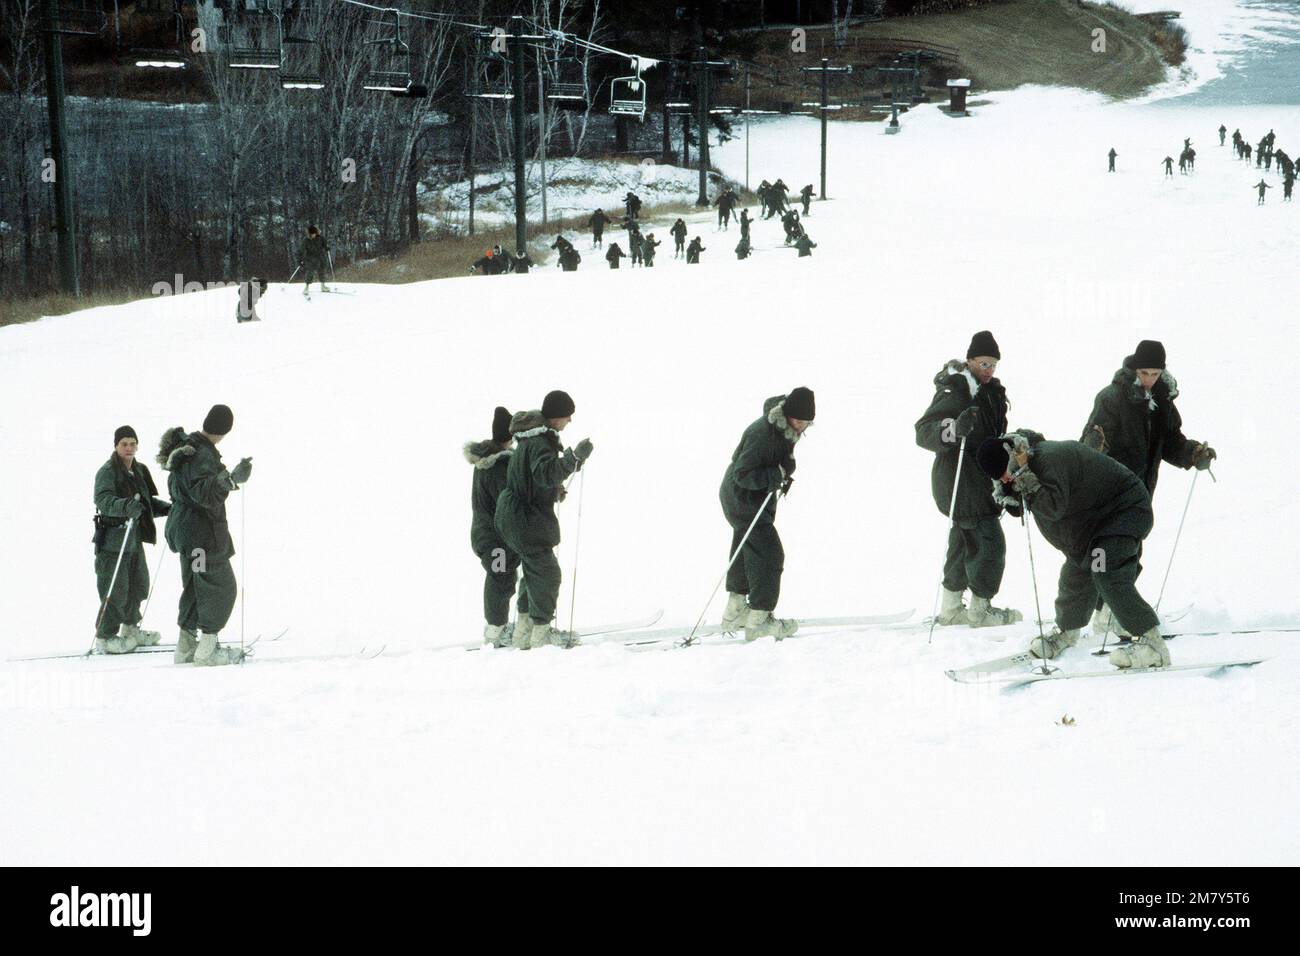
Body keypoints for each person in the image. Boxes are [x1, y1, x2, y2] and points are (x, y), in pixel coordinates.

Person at [975, 431, 1168, 670]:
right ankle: (1067, 632)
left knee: (1106, 572)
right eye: (999, 478)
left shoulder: (1048, 459)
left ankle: (1153, 646)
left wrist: (1024, 477)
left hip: (1122, 511)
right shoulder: (1025, 466)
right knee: (1075, 573)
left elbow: (1052, 506)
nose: (1005, 479)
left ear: (1012, 457)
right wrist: (1014, 491)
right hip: (1091, 524)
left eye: (1004, 472)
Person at [1079, 339, 1215, 637]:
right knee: (1110, 551)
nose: (1148, 379)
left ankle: (1109, 613)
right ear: (1133, 368)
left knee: (1132, 550)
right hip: (1110, 489)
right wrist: (1095, 445)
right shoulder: (1112, 398)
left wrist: (1192, 453)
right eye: (1143, 372)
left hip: (1141, 491)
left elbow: (1171, 441)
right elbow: (1089, 442)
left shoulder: (1162, 403)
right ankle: (1107, 614)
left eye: (1154, 373)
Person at [914, 332, 1021, 627]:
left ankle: (950, 609)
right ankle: (980, 610)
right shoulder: (956, 389)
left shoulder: (993, 393)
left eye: (993, 365)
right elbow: (923, 430)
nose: (988, 370)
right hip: (960, 481)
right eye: (984, 363)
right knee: (990, 542)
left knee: (963, 541)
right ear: (970, 360)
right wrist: (953, 429)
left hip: (982, 479)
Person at [494, 391, 593, 650]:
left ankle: (524, 632)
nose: (570, 420)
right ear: (557, 416)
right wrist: (573, 459)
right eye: (567, 415)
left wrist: (554, 489)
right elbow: (546, 472)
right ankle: (542, 633)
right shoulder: (539, 441)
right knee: (548, 574)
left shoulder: (531, 440)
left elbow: (534, 477)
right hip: (526, 519)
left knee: (533, 573)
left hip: (516, 515)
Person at [158, 405, 252, 666]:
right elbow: (203, 493)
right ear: (226, 430)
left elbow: (189, 489)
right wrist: (231, 480)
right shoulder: (201, 455)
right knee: (218, 586)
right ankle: (208, 650)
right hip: (201, 537)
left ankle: (186, 648)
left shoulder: (187, 449)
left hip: (187, 534)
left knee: (195, 585)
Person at [718, 388, 815, 641]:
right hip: (743, 498)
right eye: (798, 420)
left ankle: (736, 610)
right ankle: (759, 619)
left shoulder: (783, 429)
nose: (801, 426)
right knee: (770, 555)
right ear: (786, 414)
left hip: (745, 499)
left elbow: (780, 460)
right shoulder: (762, 433)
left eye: (806, 422)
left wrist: (782, 470)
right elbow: (743, 474)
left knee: (746, 548)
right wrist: (775, 475)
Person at [92, 426, 171, 654]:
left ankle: (130, 629)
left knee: (138, 585)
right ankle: (105, 636)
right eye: (124, 443)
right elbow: (103, 500)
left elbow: (146, 503)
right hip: (113, 542)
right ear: (116, 446)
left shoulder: (139, 470)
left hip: (134, 540)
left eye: (132, 443)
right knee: (115, 590)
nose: (129, 448)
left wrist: (166, 509)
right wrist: (126, 506)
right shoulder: (107, 471)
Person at [466, 407, 526, 648]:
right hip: (495, 540)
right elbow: (507, 501)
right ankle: (495, 630)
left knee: (502, 577)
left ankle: (497, 627)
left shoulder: (486, 461)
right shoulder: (497, 467)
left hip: (490, 536)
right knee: (500, 578)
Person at [298, 225, 329, 294]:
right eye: (311, 234)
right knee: (310, 272)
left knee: (322, 271)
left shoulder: (321, 238)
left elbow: (325, 245)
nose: (313, 235)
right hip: (310, 258)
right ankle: (306, 287)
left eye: (314, 233)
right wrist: (300, 259)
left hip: (321, 257)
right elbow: (301, 250)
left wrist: (327, 247)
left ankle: (323, 286)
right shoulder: (306, 240)